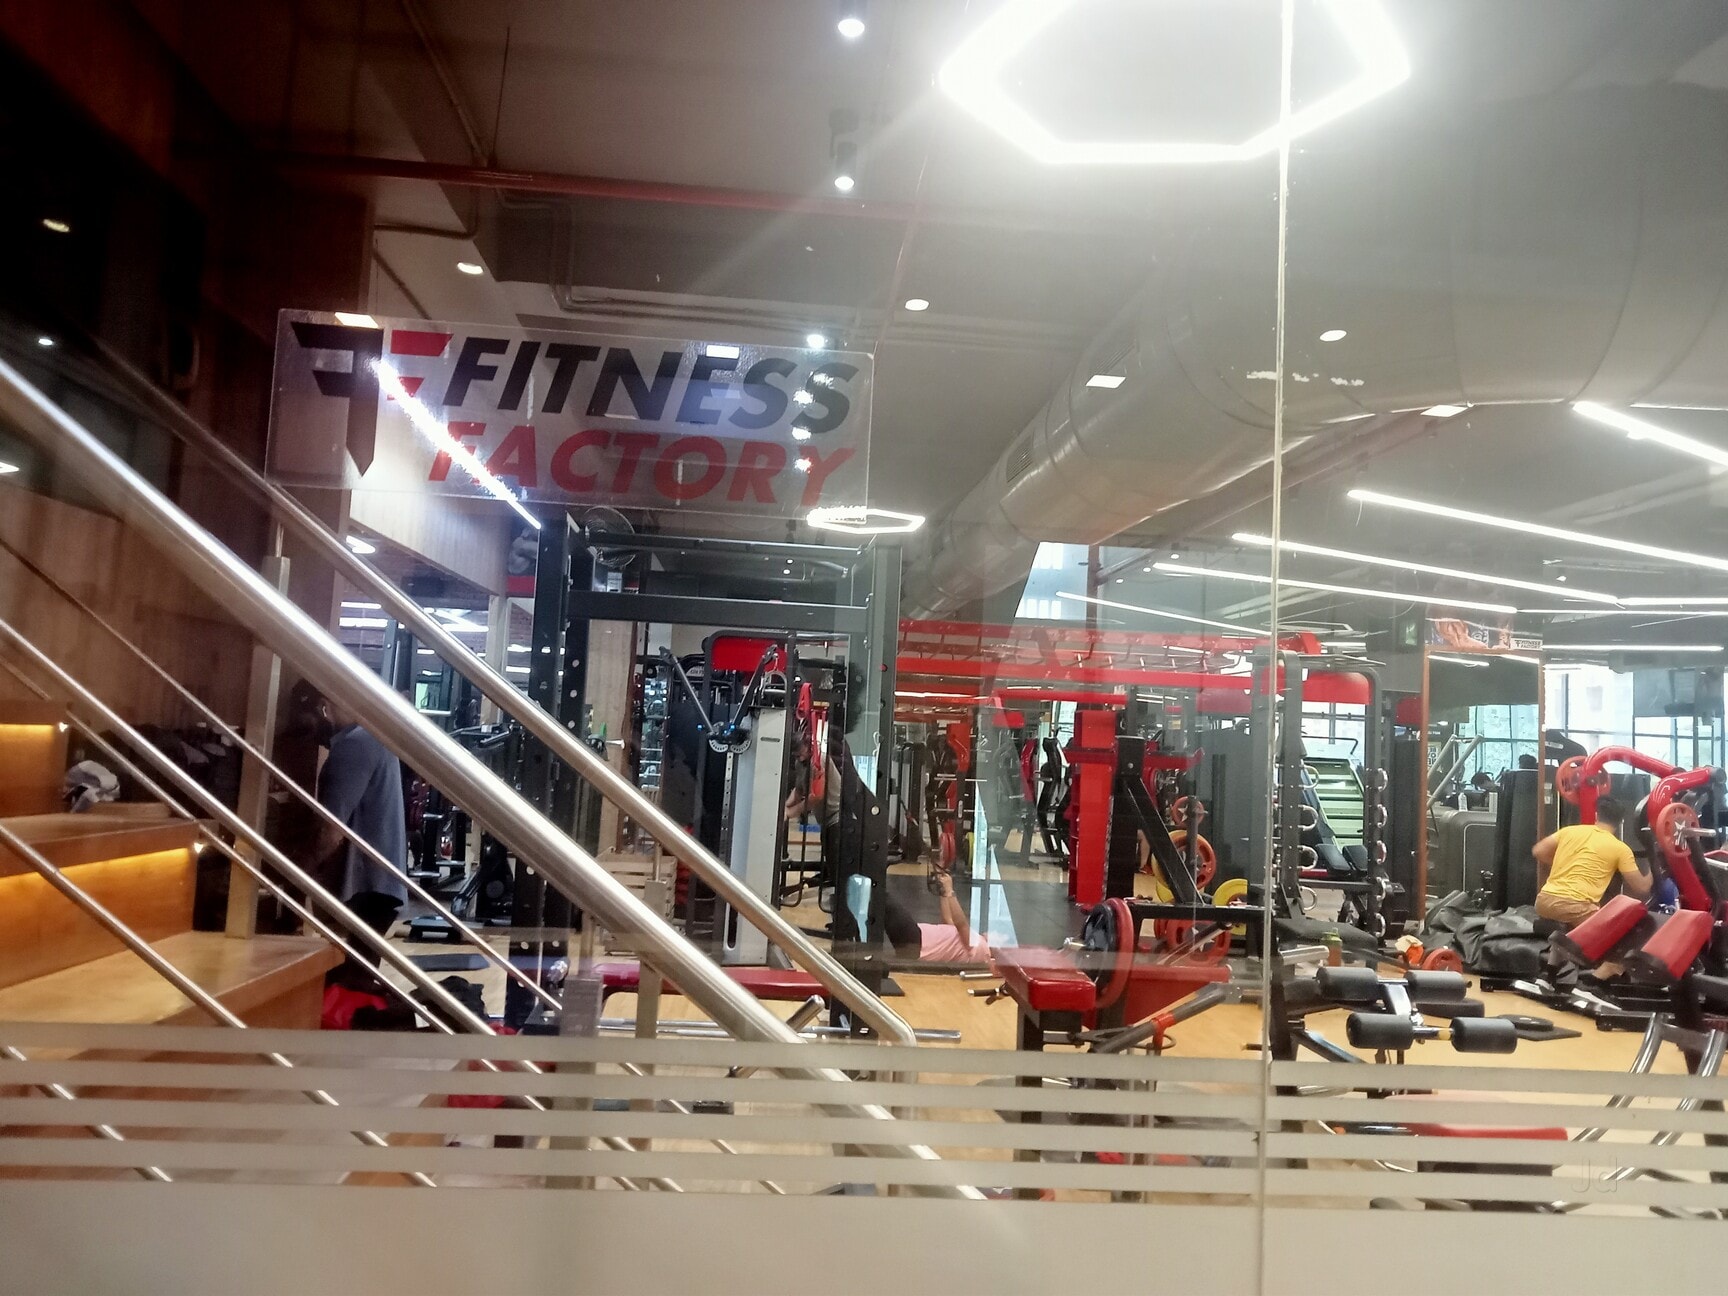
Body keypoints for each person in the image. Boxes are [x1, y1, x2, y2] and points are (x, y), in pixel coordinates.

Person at [305, 686, 409, 937]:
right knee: (358, 962)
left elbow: (331, 829)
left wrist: (298, 870)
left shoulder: (354, 745)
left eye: (314, 714)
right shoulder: (374, 740)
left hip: (361, 887)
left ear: (326, 707)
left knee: (346, 962)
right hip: (379, 885)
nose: (313, 726)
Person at [1532, 796, 1650, 928]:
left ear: (1597, 815)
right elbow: (1642, 888)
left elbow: (1538, 851)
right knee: (1616, 930)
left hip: (1544, 901)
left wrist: (1563, 864)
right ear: (1620, 821)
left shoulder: (1569, 831)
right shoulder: (1620, 849)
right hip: (1576, 907)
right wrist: (1655, 864)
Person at [883, 869, 990, 965]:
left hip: (915, 941)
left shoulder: (983, 948)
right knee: (880, 901)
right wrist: (943, 890)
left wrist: (949, 890)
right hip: (914, 940)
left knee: (882, 897)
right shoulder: (976, 942)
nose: (992, 932)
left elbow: (961, 925)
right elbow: (948, 920)